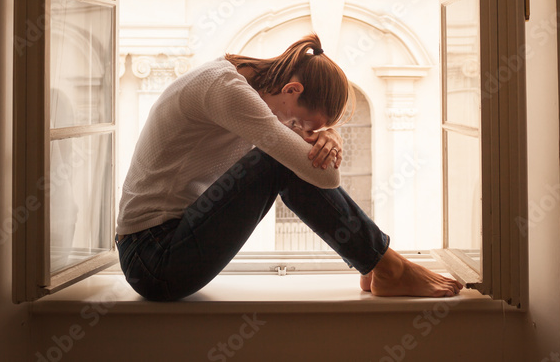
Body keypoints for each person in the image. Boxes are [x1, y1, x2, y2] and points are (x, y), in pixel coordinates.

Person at [115, 33, 462, 301]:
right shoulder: (227, 89)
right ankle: (387, 265)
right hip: (152, 258)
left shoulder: (247, 87)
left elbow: (312, 165)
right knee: (278, 162)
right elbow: (324, 176)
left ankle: (380, 264)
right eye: (300, 125)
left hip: (165, 246)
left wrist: (330, 136)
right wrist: (323, 143)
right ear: (292, 90)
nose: (299, 134)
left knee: (282, 159)